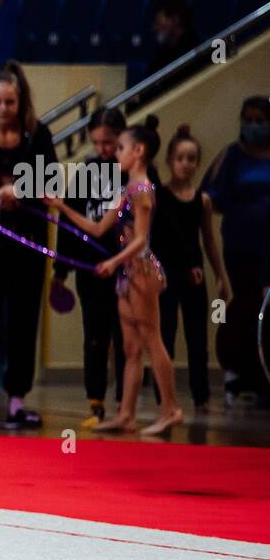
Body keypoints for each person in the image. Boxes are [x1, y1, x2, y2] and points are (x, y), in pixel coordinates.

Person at [46, 116, 183, 434]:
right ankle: (126, 414)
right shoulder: (129, 189)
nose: (113, 153)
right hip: (126, 273)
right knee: (131, 347)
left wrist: (112, 262)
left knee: (152, 340)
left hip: (140, 271)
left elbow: (140, 241)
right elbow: (97, 228)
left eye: (119, 147)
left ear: (138, 151)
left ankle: (170, 408)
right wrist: (61, 208)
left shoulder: (143, 190)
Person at [0, 60, 56, 428]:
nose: (4, 110)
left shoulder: (38, 136)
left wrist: (21, 191)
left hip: (26, 241)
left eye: (11, 103)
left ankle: (17, 398)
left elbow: (50, 185)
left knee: (23, 318)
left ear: (22, 103)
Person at [52, 107, 127, 426]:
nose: (102, 150)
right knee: (95, 336)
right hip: (91, 269)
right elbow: (69, 224)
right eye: (96, 143)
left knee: (125, 337)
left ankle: (126, 403)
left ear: (122, 138)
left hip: (125, 268)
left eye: (108, 143)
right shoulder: (86, 172)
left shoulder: (132, 172)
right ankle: (95, 403)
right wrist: (60, 272)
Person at [150, 125, 229, 412]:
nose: (186, 164)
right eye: (181, 158)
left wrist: (221, 276)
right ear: (171, 160)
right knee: (165, 335)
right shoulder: (158, 196)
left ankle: (201, 396)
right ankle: (164, 397)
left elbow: (208, 240)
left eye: (192, 159)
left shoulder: (202, 200)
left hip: (193, 275)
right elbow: (149, 238)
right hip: (164, 277)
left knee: (197, 338)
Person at [200, 95, 270, 406]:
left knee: (266, 313)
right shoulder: (231, 156)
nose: (253, 125)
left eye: (260, 120)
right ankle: (236, 374)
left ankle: (264, 377)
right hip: (240, 247)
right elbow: (208, 198)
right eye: (248, 119)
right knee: (240, 307)